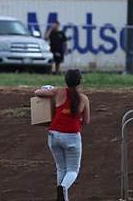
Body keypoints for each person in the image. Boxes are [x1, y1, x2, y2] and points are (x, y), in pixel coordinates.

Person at [34, 69, 91, 201]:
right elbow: (87, 121)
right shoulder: (84, 99)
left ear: (65, 80)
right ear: (80, 82)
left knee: (61, 168)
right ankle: (63, 188)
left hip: (54, 135)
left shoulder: (58, 92)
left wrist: (48, 88)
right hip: (72, 136)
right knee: (73, 170)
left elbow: (37, 92)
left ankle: (63, 196)